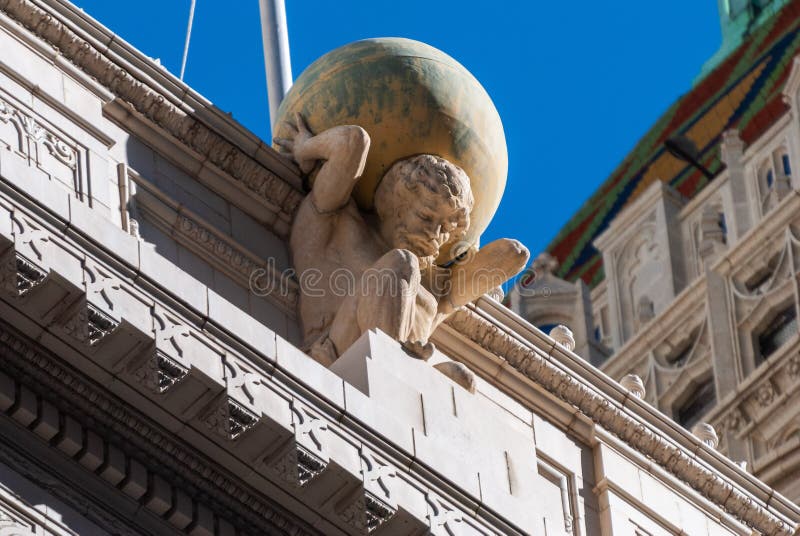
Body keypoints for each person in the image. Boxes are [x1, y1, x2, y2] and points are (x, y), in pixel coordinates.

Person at [276, 113, 528, 366]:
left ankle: (403, 367)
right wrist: (306, 148)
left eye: (444, 229)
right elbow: (354, 141)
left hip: (403, 375)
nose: (434, 235)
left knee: (460, 376)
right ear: (396, 202)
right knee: (400, 262)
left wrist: (469, 240)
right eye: (425, 217)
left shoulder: (434, 287)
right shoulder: (333, 222)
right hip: (335, 355)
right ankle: (394, 363)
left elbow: (514, 255)